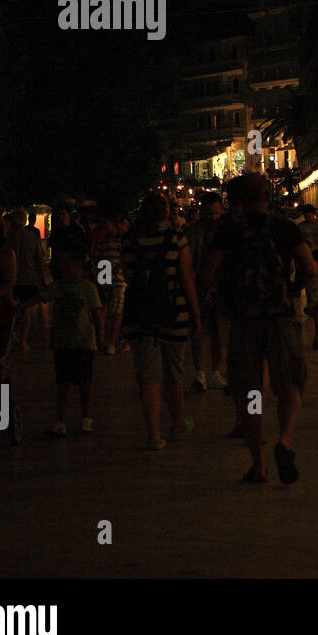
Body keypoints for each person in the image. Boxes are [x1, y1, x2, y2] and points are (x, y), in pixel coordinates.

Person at [202, 172, 314, 484]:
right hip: (280, 317)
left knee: (249, 390)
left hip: (245, 320)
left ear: (237, 200)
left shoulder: (228, 230)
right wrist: (292, 289)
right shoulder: (284, 227)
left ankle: (259, 465)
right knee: (290, 383)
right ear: (268, 197)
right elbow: (310, 268)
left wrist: (218, 294)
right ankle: (285, 441)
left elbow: (208, 272)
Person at [121, 193, 199, 451]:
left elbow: (127, 275)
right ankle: (177, 422)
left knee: (147, 376)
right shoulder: (176, 239)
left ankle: (153, 434)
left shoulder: (129, 241)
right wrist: (196, 314)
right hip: (173, 313)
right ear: (165, 212)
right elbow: (186, 278)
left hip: (140, 316)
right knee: (174, 371)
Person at [44, 241, 103, 437]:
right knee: (63, 384)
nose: (62, 269)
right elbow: (41, 297)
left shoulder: (88, 288)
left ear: (78, 267)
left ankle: (86, 417)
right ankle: (60, 420)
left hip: (84, 343)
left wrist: (100, 337)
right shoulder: (57, 286)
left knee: (85, 384)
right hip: (62, 343)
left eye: (66, 265)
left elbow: (97, 314)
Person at [187, 191, 227, 391]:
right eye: (209, 213)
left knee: (219, 332)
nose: (213, 218)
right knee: (198, 331)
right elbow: (189, 264)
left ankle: (215, 370)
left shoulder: (226, 231)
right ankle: (200, 372)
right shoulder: (193, 233)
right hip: (199, 288)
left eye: (216, 213)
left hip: (221, 288)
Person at [6, 210, 49, 350]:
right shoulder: (32, 237)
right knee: (25, 310)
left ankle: (12, 336)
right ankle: (23, 340)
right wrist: (43, 280)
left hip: (10, 278)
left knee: (10, 308)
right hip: (28, 277)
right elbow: (39, 261)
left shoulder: (7, 237)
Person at [91, 213, 127, 356]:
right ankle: (105, 340)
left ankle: (112, 342)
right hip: (105, 277)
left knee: (116, 311)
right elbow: (96, 256)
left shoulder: (122, 240)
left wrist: (121, 266)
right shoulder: (102, 241)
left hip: (118, 279)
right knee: (104, 309)